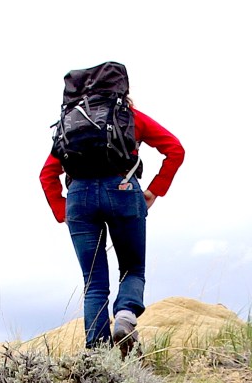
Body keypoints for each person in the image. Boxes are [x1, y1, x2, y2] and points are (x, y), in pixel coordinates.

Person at [38, 68, 185, 351]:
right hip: (123, 190)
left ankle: (97, 353)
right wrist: (155, 189)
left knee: (93, 281)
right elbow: (175, 149)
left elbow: (47, 174)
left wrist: (63, 211)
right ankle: (126, 316)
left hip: (78, 198)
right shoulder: (129, 117)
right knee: (132, 267)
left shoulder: (70, 124)